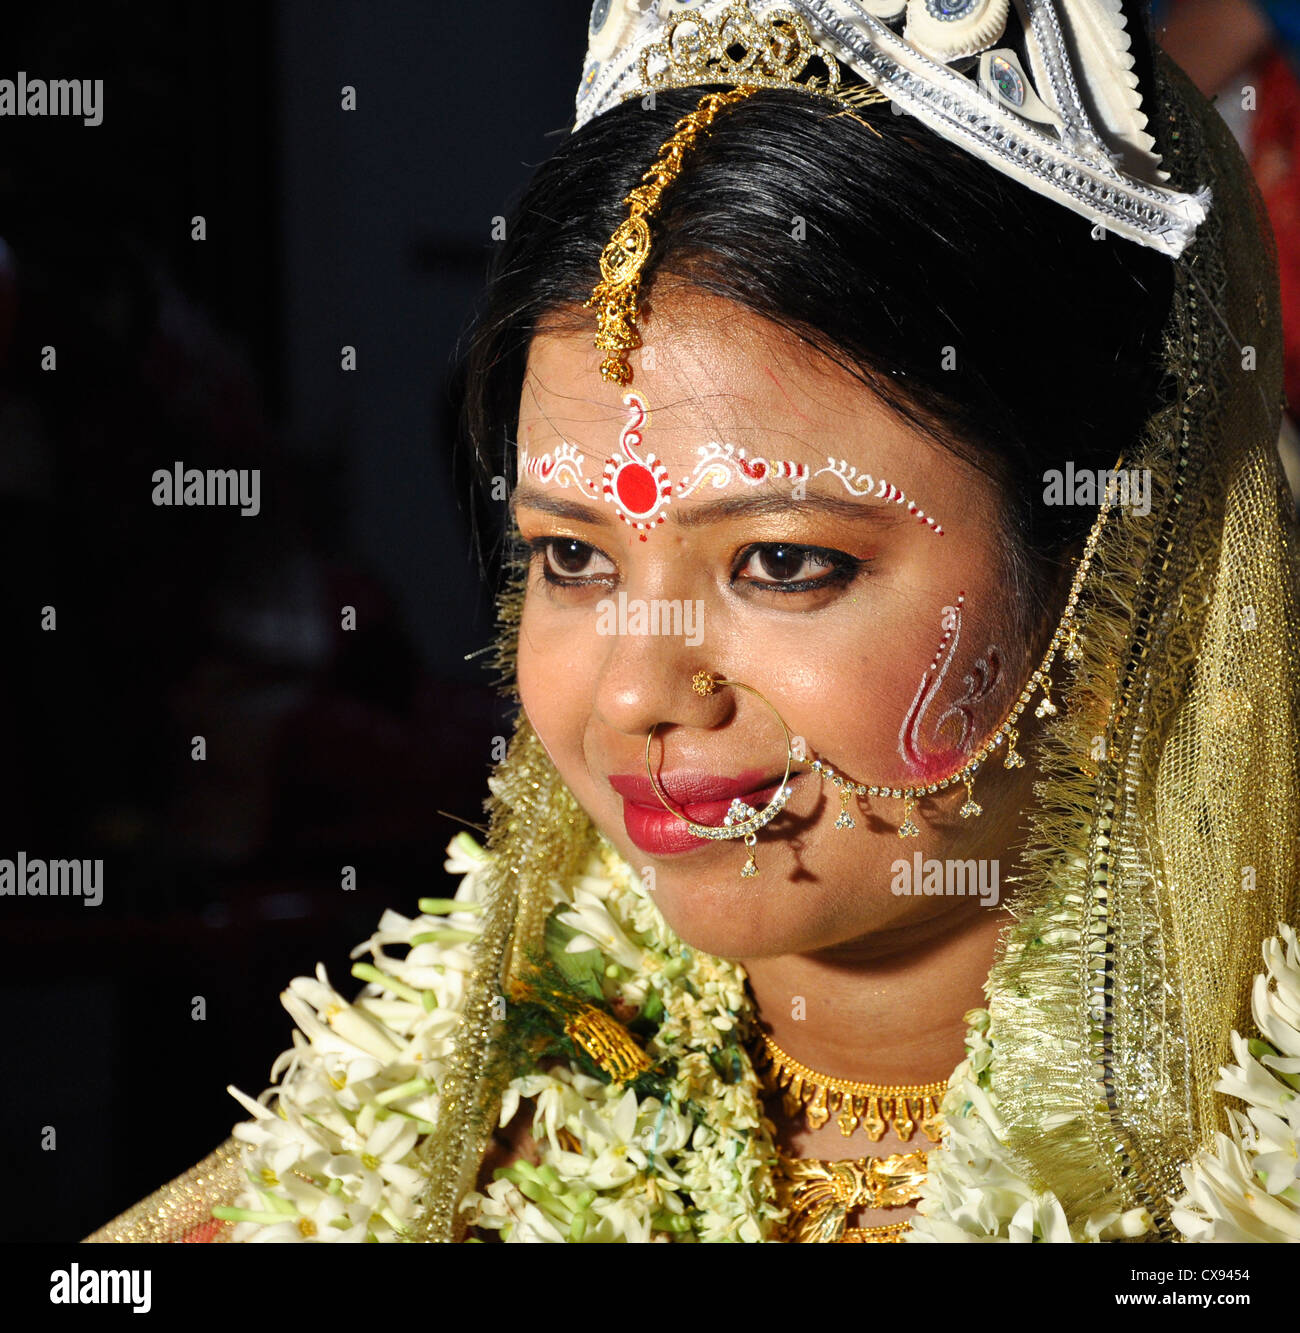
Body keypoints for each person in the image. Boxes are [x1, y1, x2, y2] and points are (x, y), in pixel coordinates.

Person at [87, 0, 1300, 1244]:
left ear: (1123, 561)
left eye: (782, 562)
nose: (630, 692)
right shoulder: (389, 1156)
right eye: (571, 554)